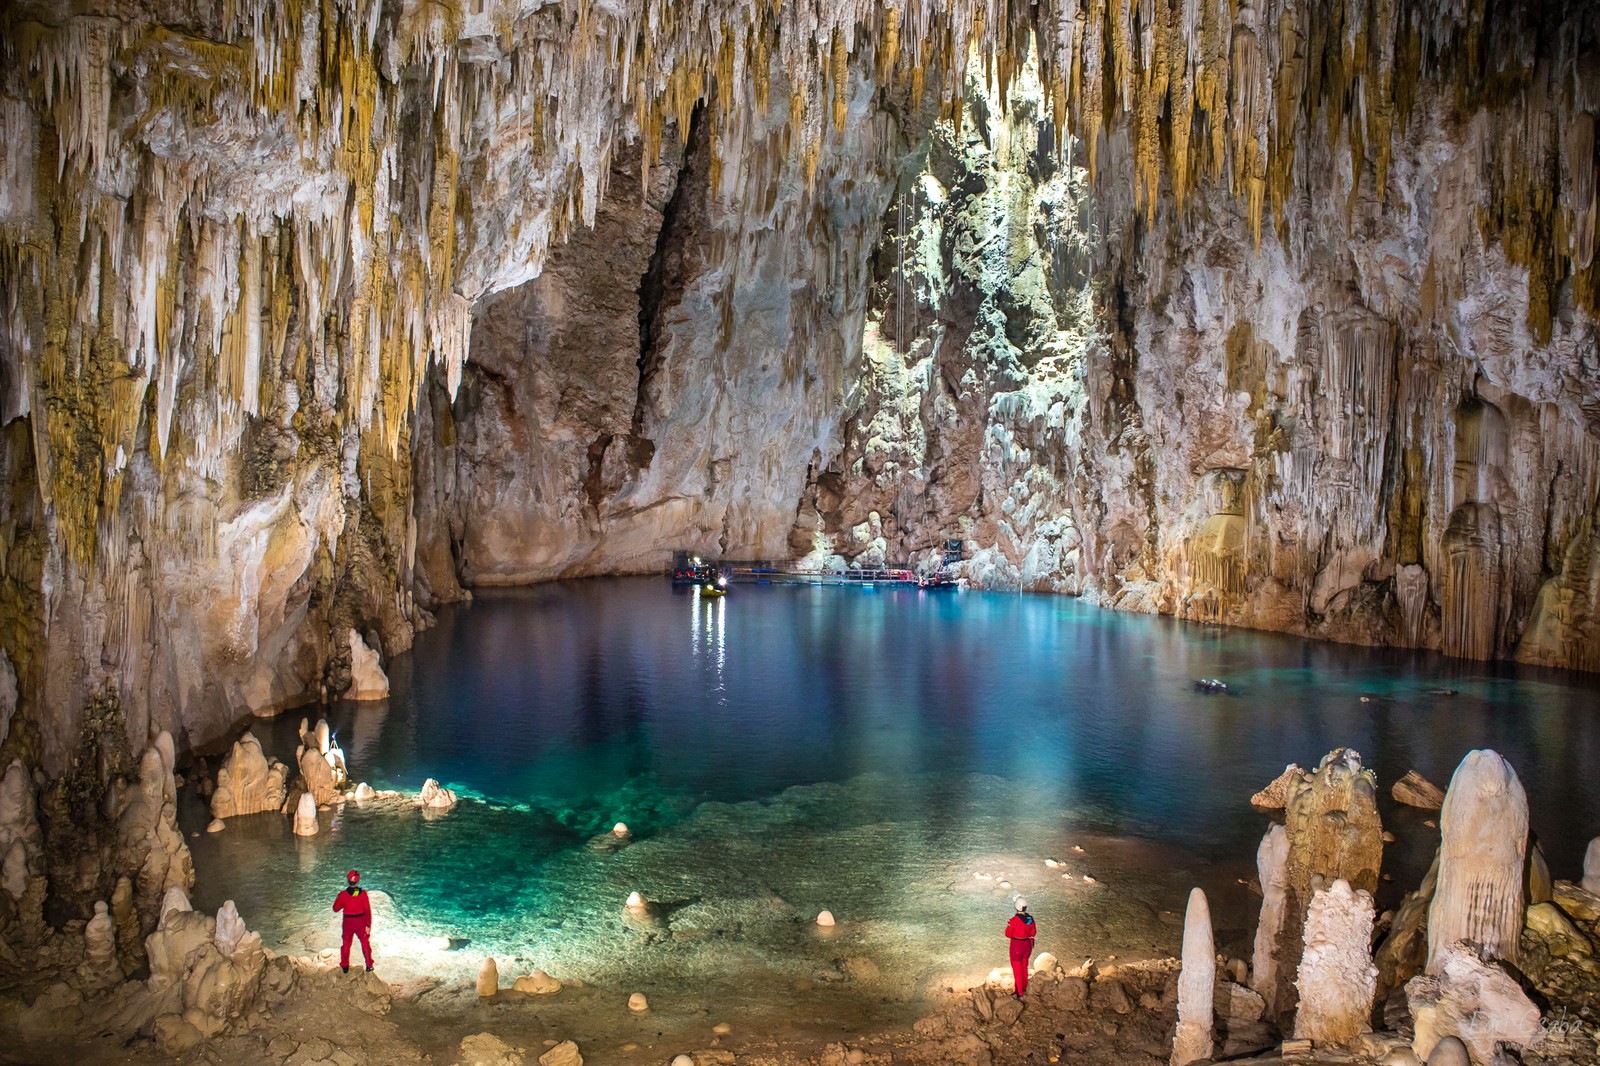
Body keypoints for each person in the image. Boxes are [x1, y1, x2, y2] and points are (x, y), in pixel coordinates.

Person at [333, 869, 374, 973]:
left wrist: (343, 902)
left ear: (348, 881)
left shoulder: (342, 895)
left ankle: (345, 966)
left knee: (346, 944)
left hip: (348, 922)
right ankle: (369, 965)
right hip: (360, 922)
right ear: (357, 881)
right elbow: (367, 910)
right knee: (365, 943)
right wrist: (368, 925)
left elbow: (335, 908)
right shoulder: (363, 894)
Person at [1004, 896, 1036, 998]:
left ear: (1016, 907)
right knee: (1024, 967)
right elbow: (1033, 933)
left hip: (1016, 946)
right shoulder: (1030, 919)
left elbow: (1008, 934)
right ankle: (1024, 986)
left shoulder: (1013, 920)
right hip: (1027, 946)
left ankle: (1019, 992)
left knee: (1017, 969)